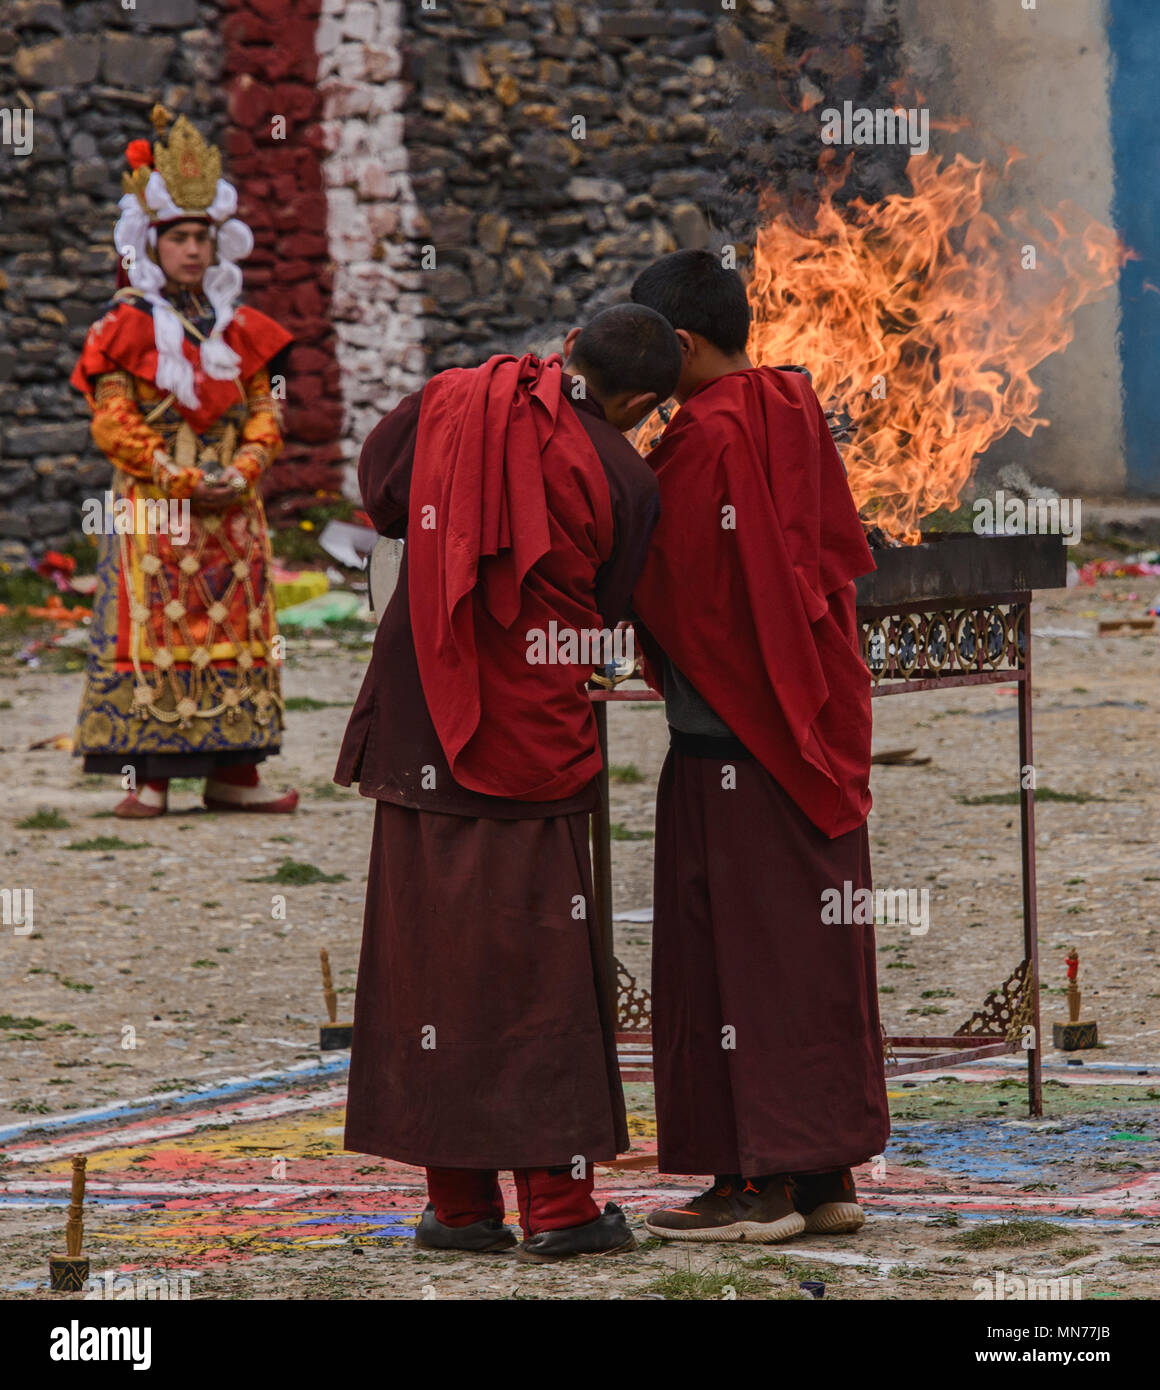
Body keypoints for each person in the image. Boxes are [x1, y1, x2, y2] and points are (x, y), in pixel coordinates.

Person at [334, 306, 680, 1261]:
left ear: (568, 349)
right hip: (527, 736)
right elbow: (609, 611)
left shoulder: (452, 400)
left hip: (419, 720)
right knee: (539, 972)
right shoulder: (625, 473)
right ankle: (561, 1211)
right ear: (643, 402)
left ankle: (459, 1206)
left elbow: (383, 495)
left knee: (432, 965)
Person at [628, 249, 890, 1243]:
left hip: (731, 746)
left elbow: (674, 584)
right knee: (807, 953)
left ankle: (756, 1184)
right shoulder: (788, 408)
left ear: (683, 346)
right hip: (810, 728)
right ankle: (824, 1175)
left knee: (734, 956)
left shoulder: (707, 438)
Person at [70, 106, 298, 818]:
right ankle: (154, 778)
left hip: (233, 508)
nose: (194, 251)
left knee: (239, 629)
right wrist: (175, 477)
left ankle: (235, 770)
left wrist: (252, 460)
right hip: (157, 507)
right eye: (180, 238)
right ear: (153, 244)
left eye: (203, 237)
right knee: (157, 634)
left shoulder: (236, 325)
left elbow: (266, 402)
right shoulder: (124, 326)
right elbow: (112, 420)